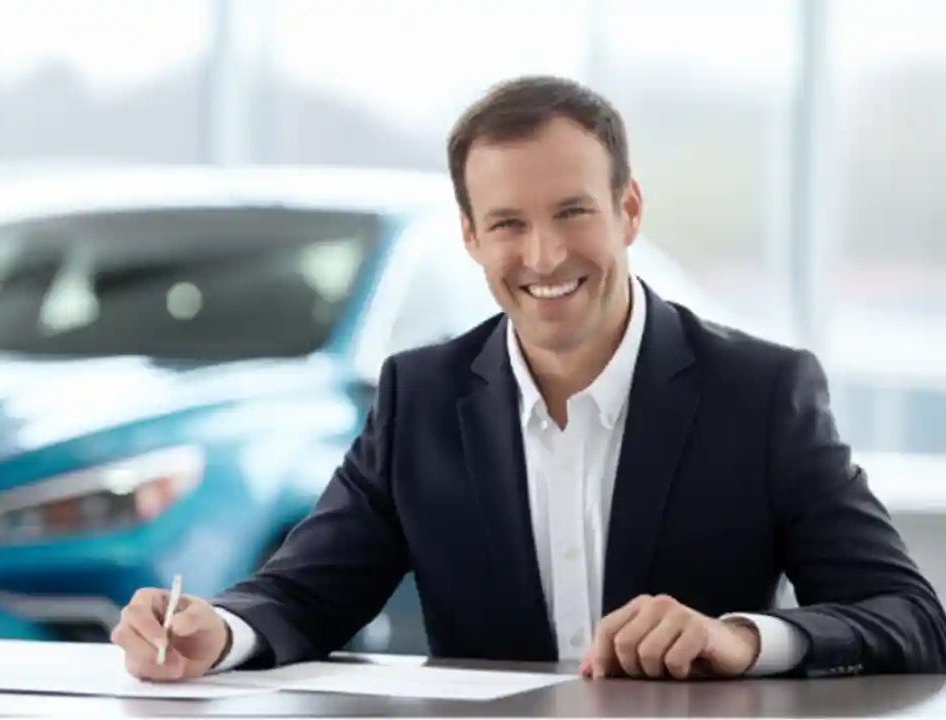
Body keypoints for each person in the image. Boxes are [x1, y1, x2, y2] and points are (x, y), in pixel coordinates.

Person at [111, 75, 946, 681]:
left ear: (629, 211)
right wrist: (214, 631)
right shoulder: (421, 397)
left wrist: (744, 639)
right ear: (471, 237)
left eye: (573, 212)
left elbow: (910, 618)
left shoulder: (760, 392)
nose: (544, 257)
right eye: (509, 223)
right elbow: (302, 594)